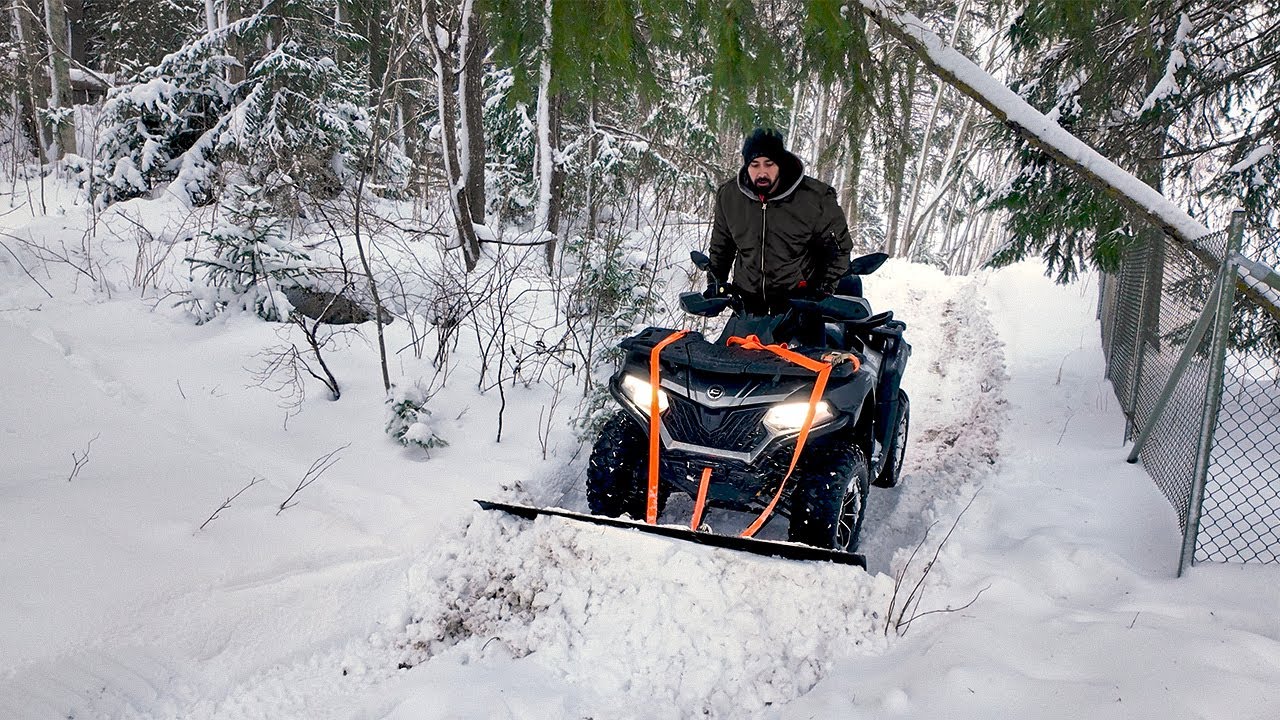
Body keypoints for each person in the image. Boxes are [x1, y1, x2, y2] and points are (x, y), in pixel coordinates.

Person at [707, 128, 854, 316]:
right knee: (733, 346)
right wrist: (715, 283)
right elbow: (722, 247)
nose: (762, 172)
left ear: (780, 164)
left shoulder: (816, 199)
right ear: (746, 166)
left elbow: (839, 250)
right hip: (747, 304)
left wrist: (823, 290)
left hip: (800, 302)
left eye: (769, 164)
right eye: (755, 165)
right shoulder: (729, 196)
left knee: (812, 345)